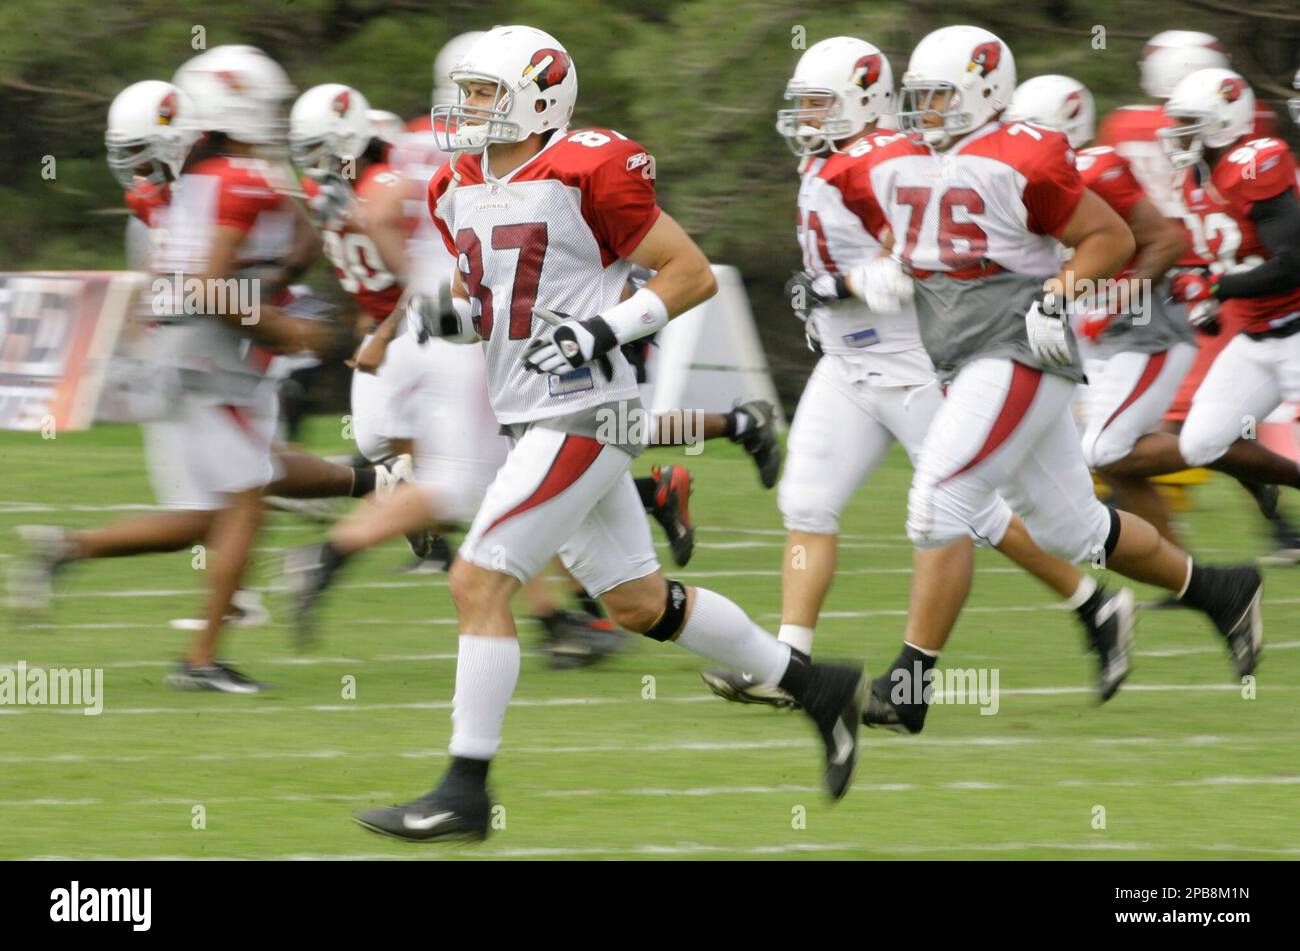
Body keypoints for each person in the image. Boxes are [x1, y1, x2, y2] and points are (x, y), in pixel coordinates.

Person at [354, 26, 866, 843]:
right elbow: (490, 299)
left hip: (590, 404)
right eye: (467, 93)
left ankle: (464, 790)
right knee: (634, 601)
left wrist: (601, 328)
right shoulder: (455, 184)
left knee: (478, 579)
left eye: (485, 94)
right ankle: (817, 686)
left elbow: (688, 273)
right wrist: (453, 317)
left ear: (539, 95)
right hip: (532, 410)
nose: (467, 108)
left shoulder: (586, 167)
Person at [842, 25, 1262, 735]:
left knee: (939, 502)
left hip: (1017, 349)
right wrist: (885, 266)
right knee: (1075, 529)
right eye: (917, 98)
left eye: (940, 96)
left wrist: (1058, 293)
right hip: (964, 351)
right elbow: (906, 231)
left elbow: (1111, 239)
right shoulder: (894, 161)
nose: (925, 111)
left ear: (985, 90)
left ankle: (908, 687)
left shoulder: (1022, 154)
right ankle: (1220, 589)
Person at [704, 38, 1137, 711]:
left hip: (911, 360)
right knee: (807, 503)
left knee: (974, 512)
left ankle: (1092, 603)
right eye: (803, 105)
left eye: (820, 104)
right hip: (847, 362)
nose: (806, 117)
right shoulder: (835, 158)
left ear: (865, 101)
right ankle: (789, 663)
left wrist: (851, 279)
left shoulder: (884, 161)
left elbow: (919, 253)